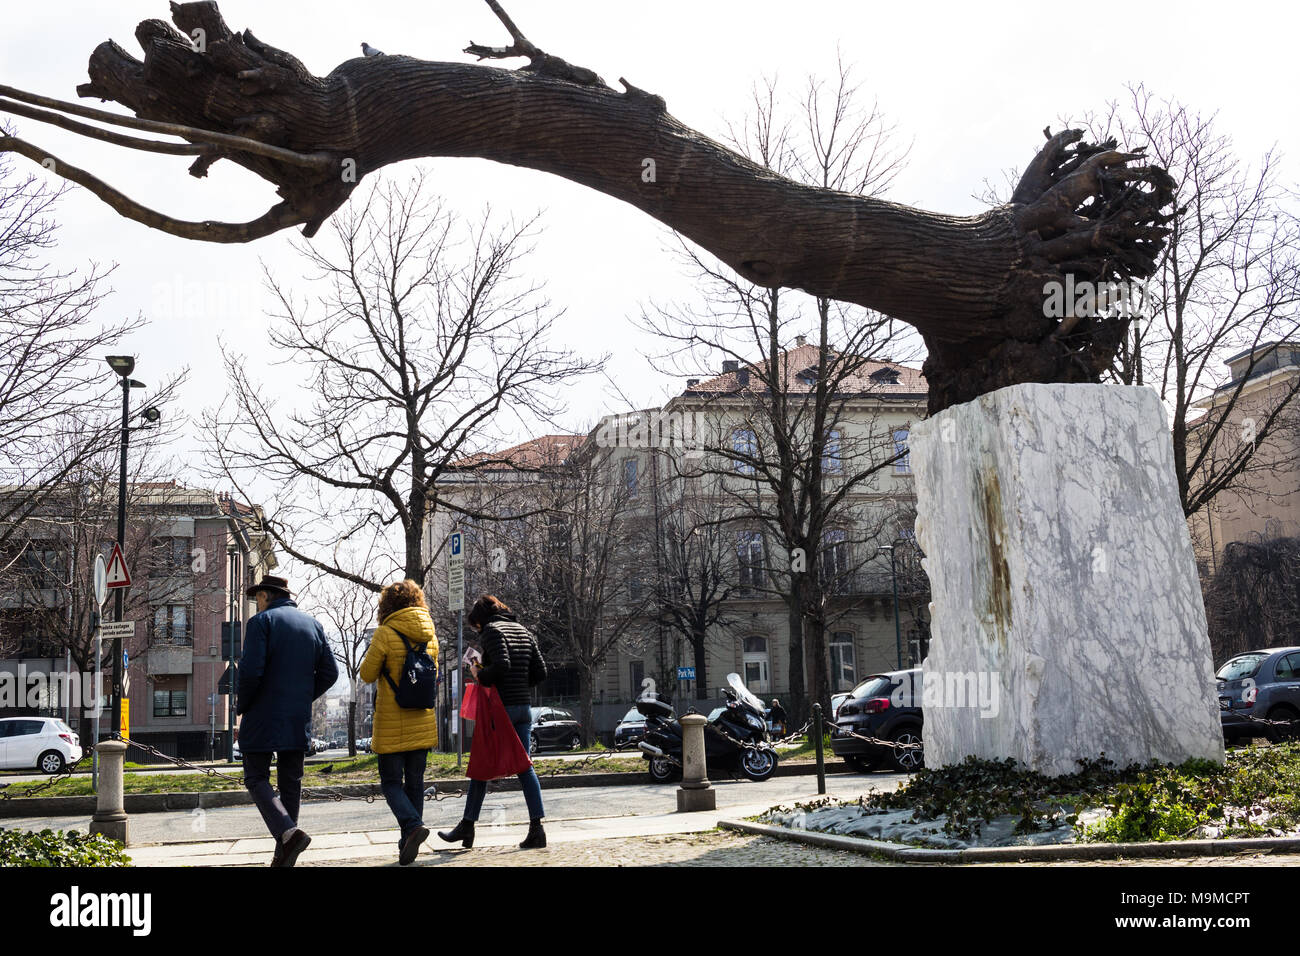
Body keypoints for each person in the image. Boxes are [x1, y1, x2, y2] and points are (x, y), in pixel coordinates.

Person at [237, 574, 338, 868]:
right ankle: (285, 853)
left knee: (256, 778)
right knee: (291, 782)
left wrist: (242, 705)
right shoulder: (313, 624)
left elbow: (251, 672)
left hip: (261, 714)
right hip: (297, 716)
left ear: (267, 595)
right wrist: (303, 696)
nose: (256, 604)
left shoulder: (261, 623)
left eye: (257, 598)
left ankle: (287, 834)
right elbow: (329, 673)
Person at [438, 594, 548, 850]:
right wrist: (520, 687)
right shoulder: (523, 630)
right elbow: (540, 671)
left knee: (481, 765)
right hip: (523, 708)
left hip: (502, 709)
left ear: (481, 620)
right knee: (525, 767)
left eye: (476, 625)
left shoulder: (492, 631)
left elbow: (502, 666)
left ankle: (467, 826)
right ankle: (537, 829)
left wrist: (479, 673)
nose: (477, 630)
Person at [359, 579, 440, 866]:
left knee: (391, 782)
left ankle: (412, 826)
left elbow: (367, 674)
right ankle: (408, 840)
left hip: (392, 722)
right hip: (422, 718)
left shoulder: (384, 633)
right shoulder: (430, 635)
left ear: (388, 605)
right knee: (415, 782)